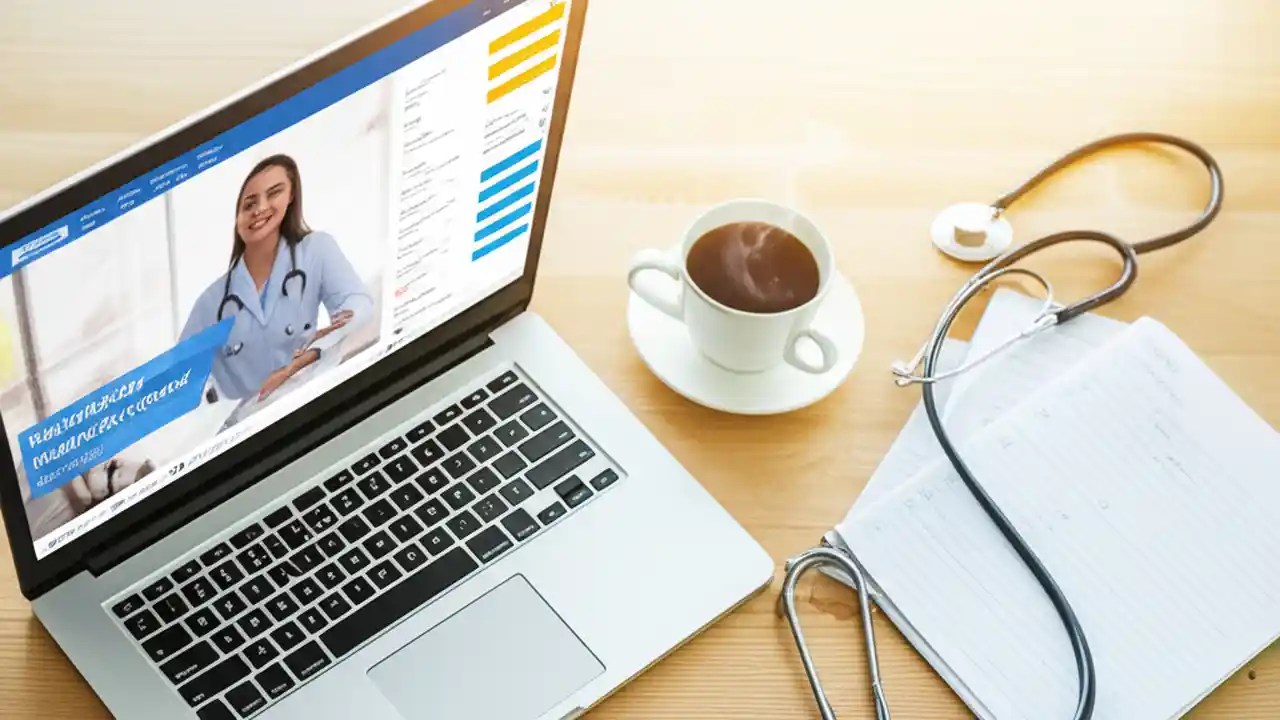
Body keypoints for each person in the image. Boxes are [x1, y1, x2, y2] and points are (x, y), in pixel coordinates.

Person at [180, 154, 373, 404]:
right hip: (252, 422)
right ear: (237, 219)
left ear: (291, 196)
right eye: (249, 204)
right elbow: (181, 378)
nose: (260, 209)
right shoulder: (211, 301)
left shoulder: (316, 250)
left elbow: (360, 304)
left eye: (274, 193)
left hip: (316, 394)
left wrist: (305, 357)